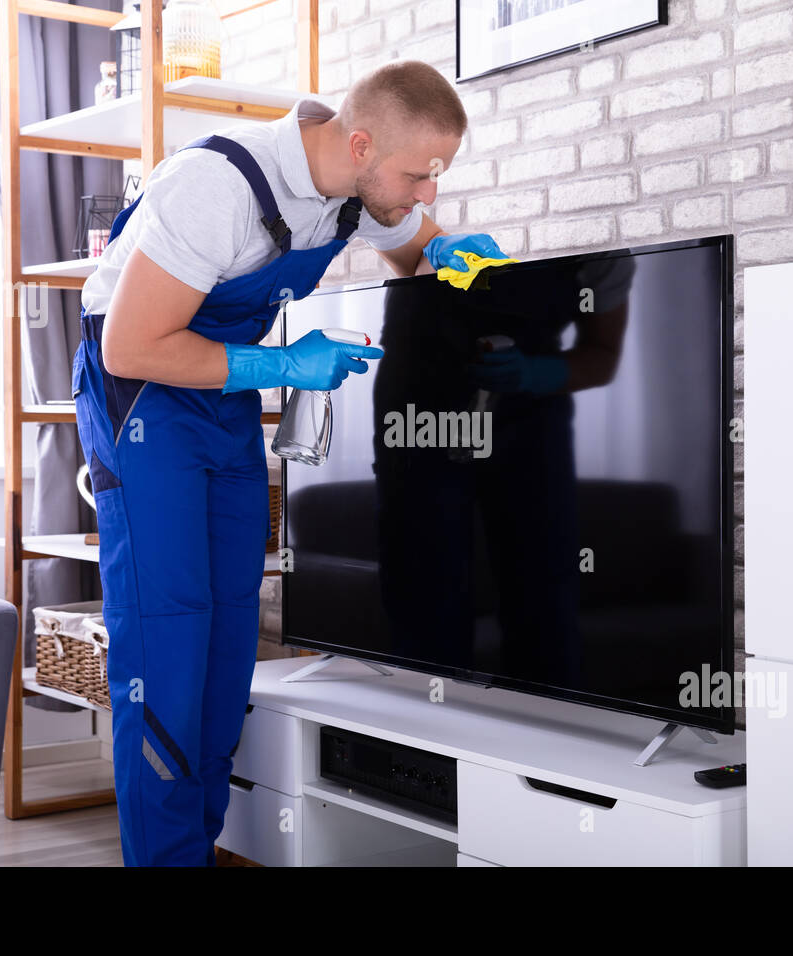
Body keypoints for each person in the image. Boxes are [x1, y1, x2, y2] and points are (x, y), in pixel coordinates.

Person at [72, 59, 509, 866]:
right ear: (363, 141)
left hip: (221, 389)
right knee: (168, 646)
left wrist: (450, 253)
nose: (426, 197)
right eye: (419, 177)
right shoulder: (219, 186)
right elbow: (130, 342)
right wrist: (282, 367)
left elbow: (414, 250)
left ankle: (193, 850)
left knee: (229, 637)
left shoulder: (356, 187)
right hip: (142, 397)